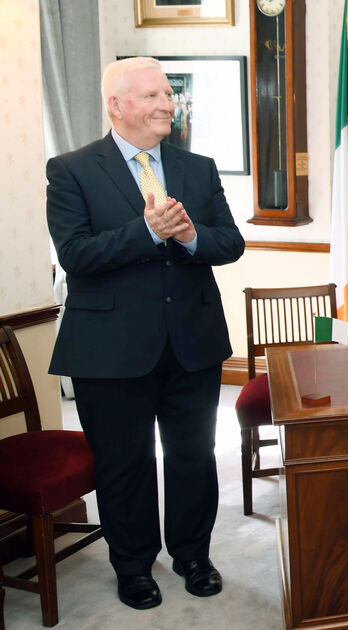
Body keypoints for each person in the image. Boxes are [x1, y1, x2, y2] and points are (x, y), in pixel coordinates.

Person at [46, 57, 244, 610]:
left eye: (168, 94)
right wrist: (146, 232)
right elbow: (76, 256)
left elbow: (229, 243)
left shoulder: (198, 167)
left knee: (193, 455)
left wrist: (187, 236)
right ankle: (132, 566)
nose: (167, 104)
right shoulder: (71, 169)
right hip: (109, 350)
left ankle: (192, 555)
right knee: (124, 462)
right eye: (153, 96)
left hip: (193, 342)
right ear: (117, 105)